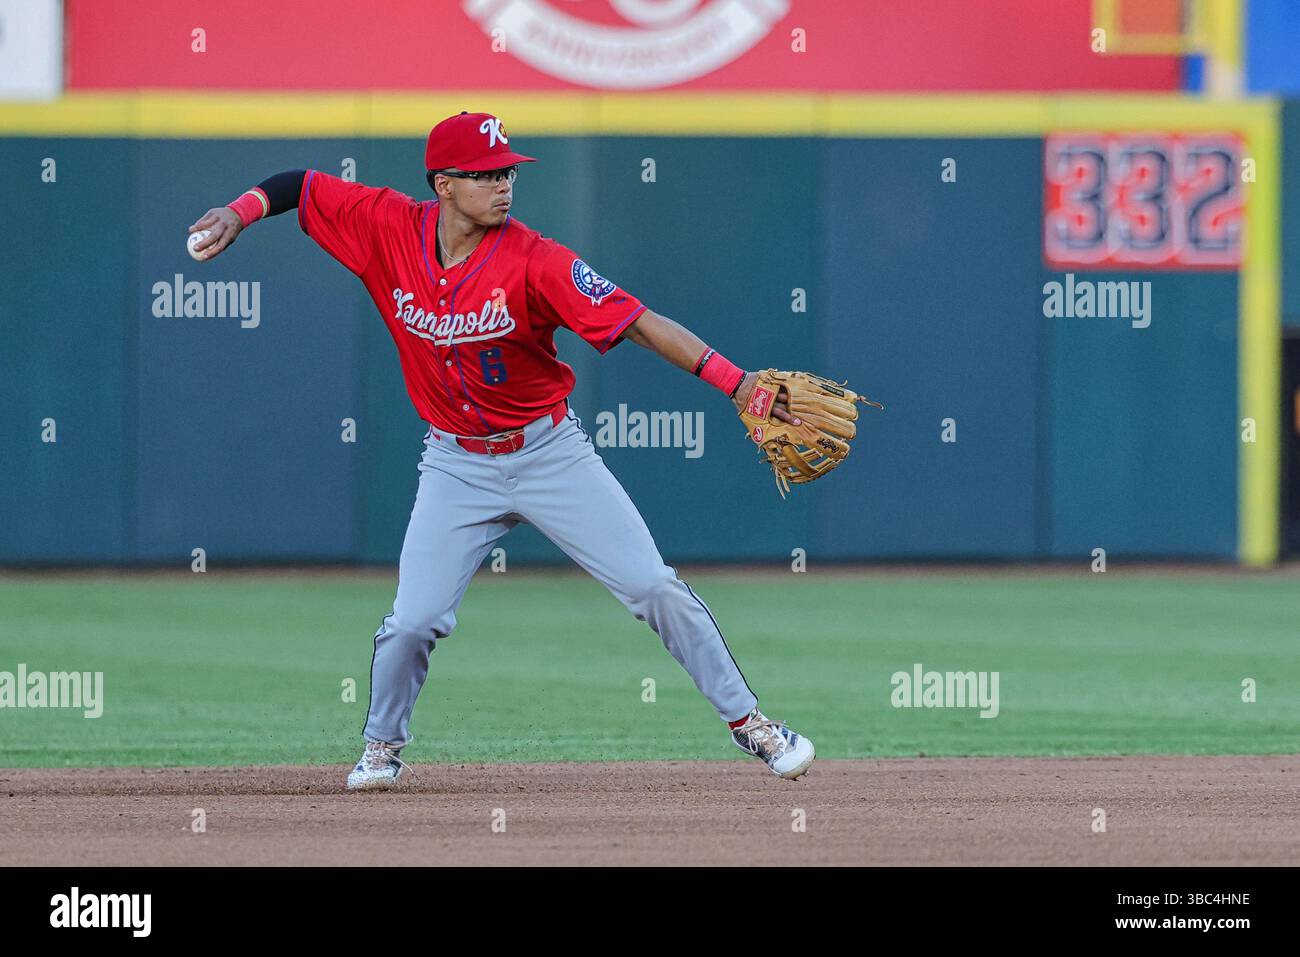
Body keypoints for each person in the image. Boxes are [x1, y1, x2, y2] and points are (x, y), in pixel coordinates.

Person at [188, 111, 814, 789]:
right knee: (413, 621)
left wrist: (735, 381)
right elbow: (300, 185)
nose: (503, 184)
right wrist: (239, 211)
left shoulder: (537, 259)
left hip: (549, 453)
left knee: (652, 585)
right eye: (486, 174)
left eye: (507, 171)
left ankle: (754, 725)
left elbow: (638, 323)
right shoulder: (387, 226)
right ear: (445, 184)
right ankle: (380, 745)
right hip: (456, 464)